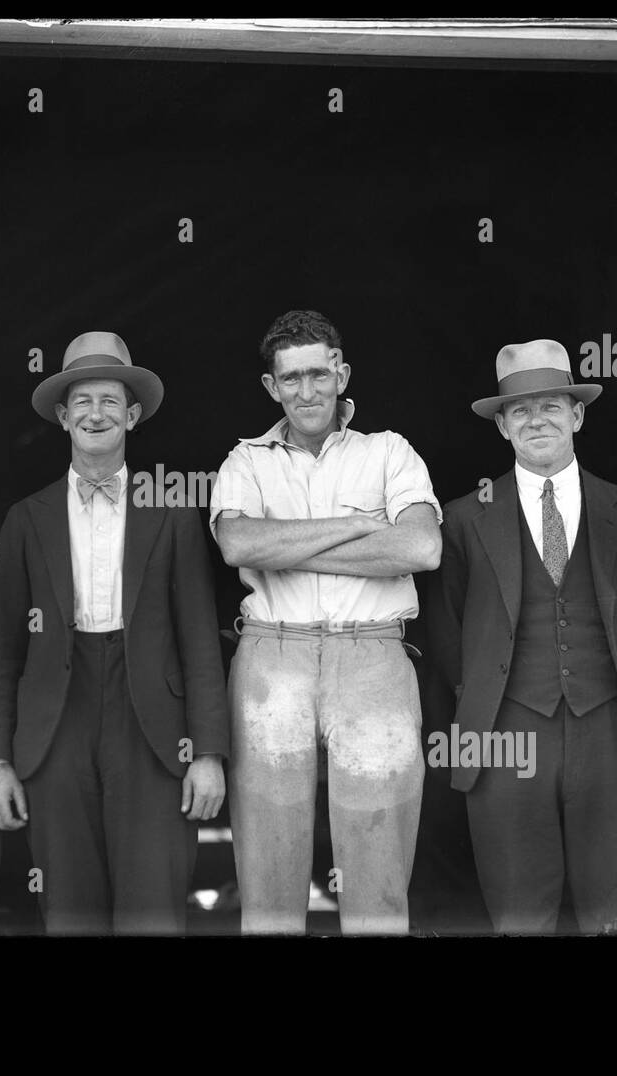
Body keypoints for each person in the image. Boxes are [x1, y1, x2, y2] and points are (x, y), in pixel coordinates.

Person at [0, 331, 229, 934]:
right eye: (83, 401)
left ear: (133, 415)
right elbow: (2, 651)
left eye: (111, 401)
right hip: (54, 720)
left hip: (153, 724)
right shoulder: (25, 518)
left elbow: (199, 638)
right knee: (69, 906)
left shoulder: (171, 511)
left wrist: (210, 753)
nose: (97, 413)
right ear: (63, 416)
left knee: (154, 904)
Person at [429, 339, 617, 934]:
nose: (536, 419)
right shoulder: (463, 518)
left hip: (615, 728)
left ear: (577, 414)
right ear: (502, 427)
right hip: (504, 735)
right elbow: (449, 628)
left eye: (551, 405)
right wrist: (488, 702)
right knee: (519, 913)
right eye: (520, 410)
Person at [210, 309, 441, 934]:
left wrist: (288, 546)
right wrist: (360, 524)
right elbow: (239, 546)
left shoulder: (390, 451)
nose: (306, 392)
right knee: (268, 877)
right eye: (291, 379)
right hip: (271, 659)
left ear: (341, 373)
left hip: (373, 657)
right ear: (271, 387)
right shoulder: (246, 460)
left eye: (318, 374)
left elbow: (420, 549)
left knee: (378, 873)